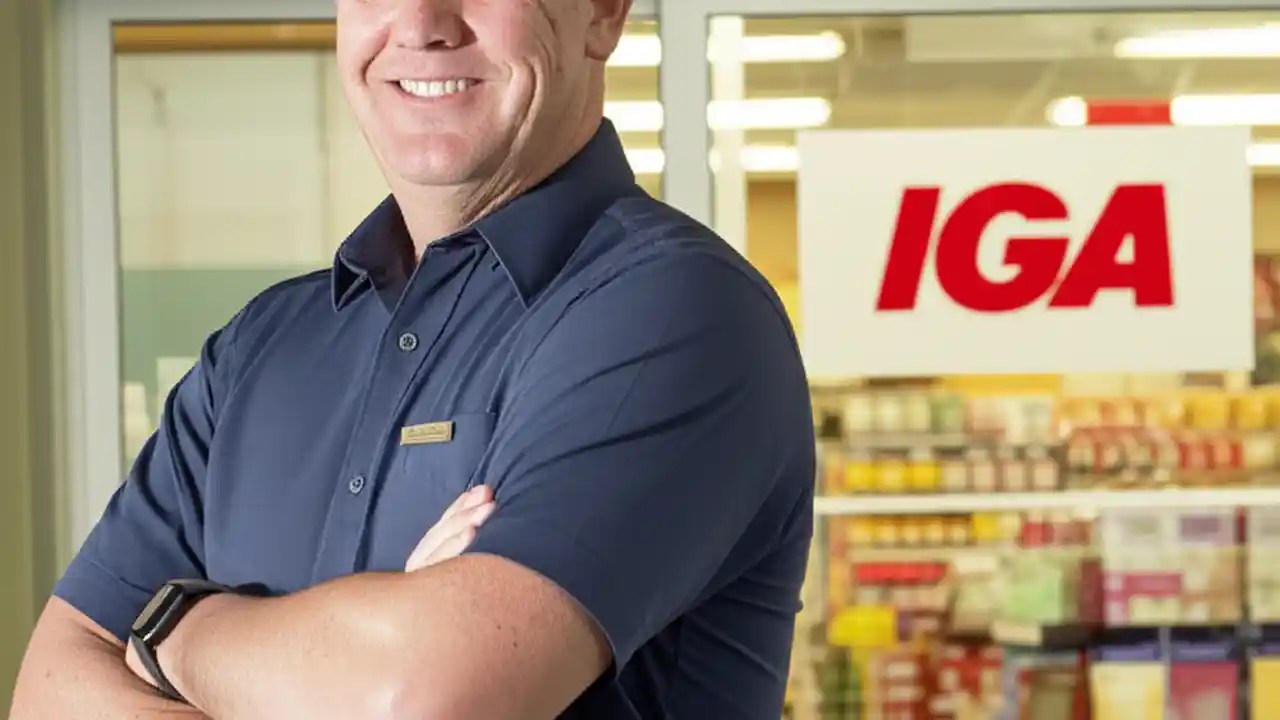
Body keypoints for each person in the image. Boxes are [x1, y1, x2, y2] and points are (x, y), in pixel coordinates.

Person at [11, 0, 815, 717]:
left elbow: (425, 699)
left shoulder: (674, 311)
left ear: (603, 13)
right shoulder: (263, 348)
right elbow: (49, 689)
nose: (424, 22)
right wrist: (357, 657)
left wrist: (173, 630)